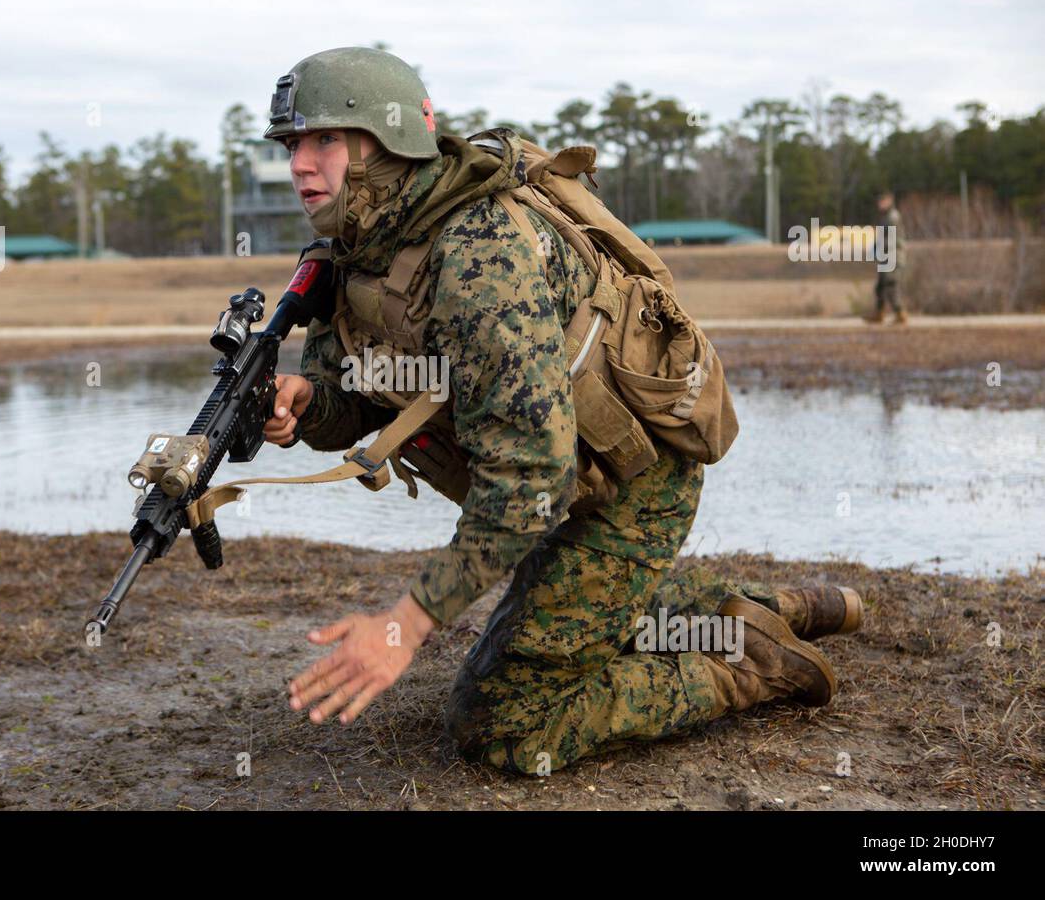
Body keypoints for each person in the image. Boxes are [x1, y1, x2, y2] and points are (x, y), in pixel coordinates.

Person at [261, 47, 862, 774]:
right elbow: (356, 401)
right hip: (572, 483)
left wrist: (406, 624)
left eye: (322, 139)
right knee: (570, 622)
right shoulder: (357, 248)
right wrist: (306, 405)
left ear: (385, 146)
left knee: (503, 725)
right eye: (292, 144)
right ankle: (779, 607)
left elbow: (533, 480)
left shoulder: (478, 254)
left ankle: (750, 663)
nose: (299, 163)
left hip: (628, 486)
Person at [866, 190, 908, 324]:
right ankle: (879, 314)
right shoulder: (885, 216)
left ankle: (900, 313)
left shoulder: (892, 217)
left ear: (889, 201)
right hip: (886, 256)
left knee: (891, 285)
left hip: (893, 256)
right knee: (880, 287)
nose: (879, 204)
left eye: (882, 201)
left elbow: (891, 238)